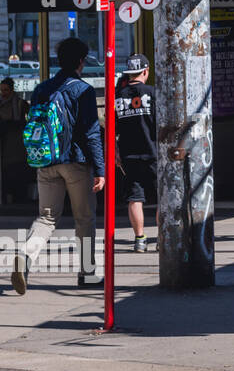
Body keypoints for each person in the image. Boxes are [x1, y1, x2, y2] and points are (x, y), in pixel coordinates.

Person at [10, 37, 105, 295]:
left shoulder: (41, 89)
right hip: (75, 163)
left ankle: (25, 257)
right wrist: (100, 169)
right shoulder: (83, 90)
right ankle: (87, 274)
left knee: (46, 217)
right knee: (84, 218)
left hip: (46, 161)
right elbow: (91, 133)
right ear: (81, 62)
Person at [113, 54, 157, 253]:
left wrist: (115, 153)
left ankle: (140, 239)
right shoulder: (154, 93)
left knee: (135, 198)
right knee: (163, 198)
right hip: (155, 153)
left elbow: (113, 129)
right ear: (146, 71)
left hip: (129, 155)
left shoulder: (118, 97)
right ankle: (163, 238)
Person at [0, 77, 30, 208]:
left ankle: (19, 196)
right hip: (5, 142)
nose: (3, 93)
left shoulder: (20, 103)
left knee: (18, 169)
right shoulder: (2, 103)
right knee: (7, 170)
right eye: (1, 90)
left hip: (17, 141)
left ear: (12, 90)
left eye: (6, 90)